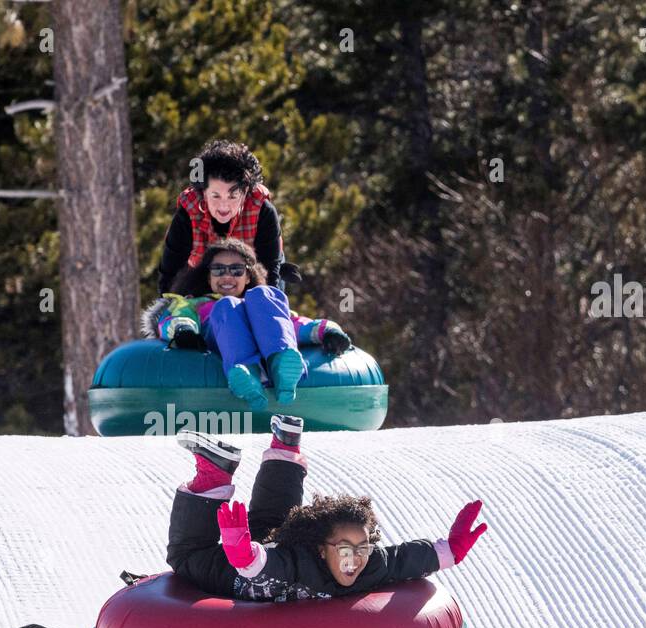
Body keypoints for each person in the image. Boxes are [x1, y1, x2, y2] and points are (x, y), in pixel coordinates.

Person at [166, 415, 487, 602]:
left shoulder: (369, 562)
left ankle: (285, 444)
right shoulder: (299, 564)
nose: (355, 559)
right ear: (321, 550)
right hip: (234, 572)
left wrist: (451, 550)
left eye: (363, 547)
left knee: (271, 520)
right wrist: (244, 557)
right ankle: (213, 475)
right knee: (185, 557)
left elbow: (402, 559)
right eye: (346, 548)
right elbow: (276, 566)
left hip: (261, 548)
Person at [142, 238, 352, 409]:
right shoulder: (196, 303)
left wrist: (327, 331)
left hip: (267, 338)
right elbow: (176, 317)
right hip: (218, 334)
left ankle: (282, 363)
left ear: (248, 275)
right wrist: (183, 330)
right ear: (208, 277)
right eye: (218, 270)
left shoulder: (261, 302)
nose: (227, 276)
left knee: (265, 294)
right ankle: (247, 372)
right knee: (227, 306)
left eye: (236, 270)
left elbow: (290, 323)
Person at [157, 140, 294, 295]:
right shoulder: (187, 214)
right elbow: (170, 272)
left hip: (255, 272)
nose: (223, 206)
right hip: (202, 272)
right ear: (204, 193)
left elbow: (270, 272)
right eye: (216, 196)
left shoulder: (262, 210)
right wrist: (166, 308)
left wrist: (267, 306)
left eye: (232, 196)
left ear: (245, 192)